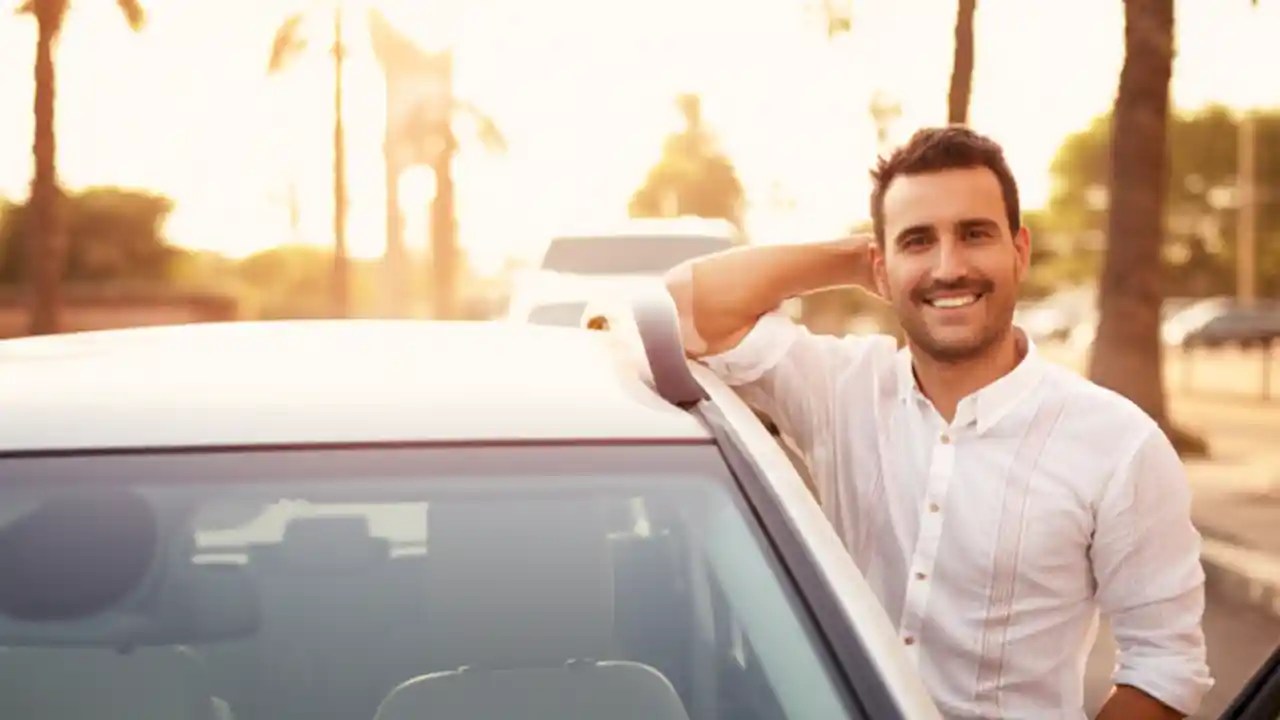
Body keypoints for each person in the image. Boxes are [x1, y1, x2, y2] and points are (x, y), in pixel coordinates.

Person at [665, 126, 1211, 720]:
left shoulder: (1118, 444)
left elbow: (1166, 667)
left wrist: (901, 251)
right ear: (880, 268)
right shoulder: (840, 386)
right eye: (919, 241)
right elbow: (680, 313)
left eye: (974, 234)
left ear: (1019, 251)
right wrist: (855, 258)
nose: (949, 268)